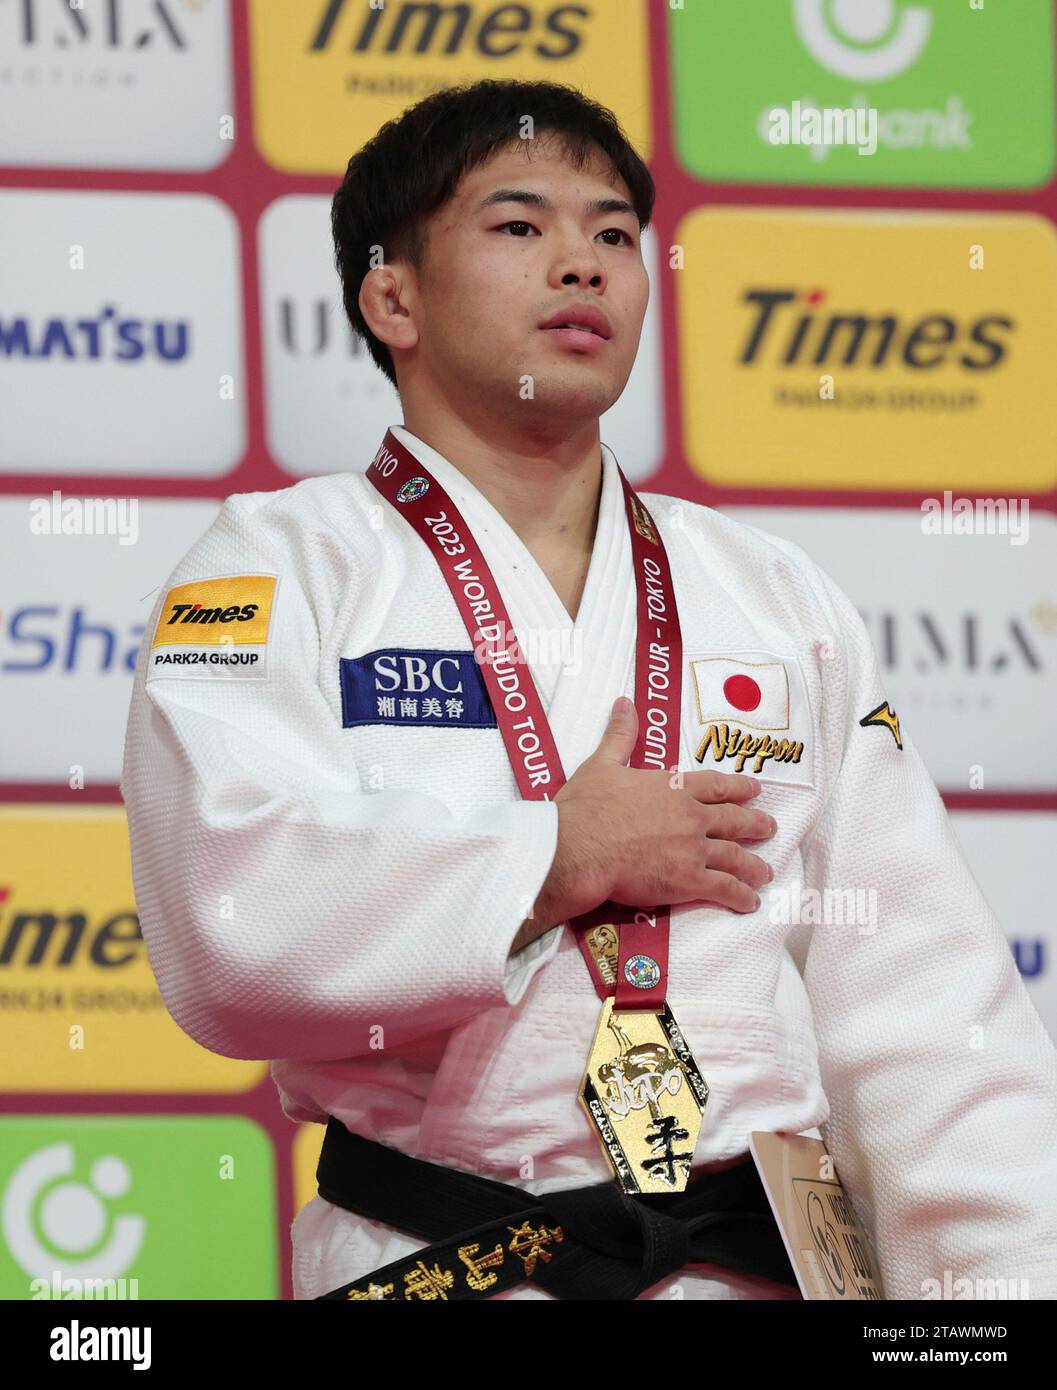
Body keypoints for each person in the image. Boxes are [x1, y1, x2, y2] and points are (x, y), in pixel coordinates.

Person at [121, 79, 1057, 1302]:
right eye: (519, 227)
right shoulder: (280, 565)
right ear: (388, 293)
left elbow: (922, 1010)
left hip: (755, 1268)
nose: (582, 264)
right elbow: (224, 922)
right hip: (448, 1263)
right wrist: (552, 853)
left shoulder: (770, 592)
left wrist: (998, 1292)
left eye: (613, 233)